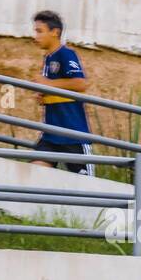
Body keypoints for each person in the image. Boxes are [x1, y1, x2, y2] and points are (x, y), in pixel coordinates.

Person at [30, 10, 92, 174]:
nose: (35, 36)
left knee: (86, 191)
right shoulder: (48, 58)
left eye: (39, 31)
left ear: (55, 32)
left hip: (72, 135)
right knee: (35, 176)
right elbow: (57, 88)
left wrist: (48, 84)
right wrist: (43, 94)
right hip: (51, 135)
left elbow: (81, 83)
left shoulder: (66, 54)